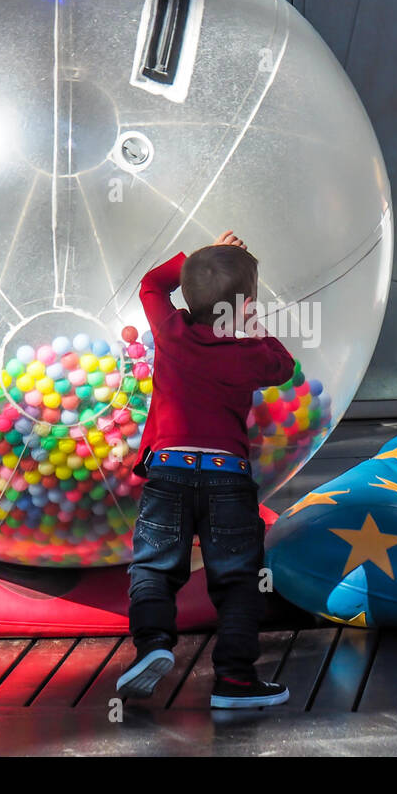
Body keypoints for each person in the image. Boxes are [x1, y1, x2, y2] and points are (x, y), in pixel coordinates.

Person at [116, 230, 296, 709]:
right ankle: (235, 680)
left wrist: (198, 258)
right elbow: (285, 367)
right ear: (246, 305)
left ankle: (153, 645)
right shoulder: (248, 352)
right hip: (227, 477)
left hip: (168, 473)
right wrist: (252, 323)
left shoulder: (170, 330)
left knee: (154, 567)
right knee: (238, 579)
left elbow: (152, 285)